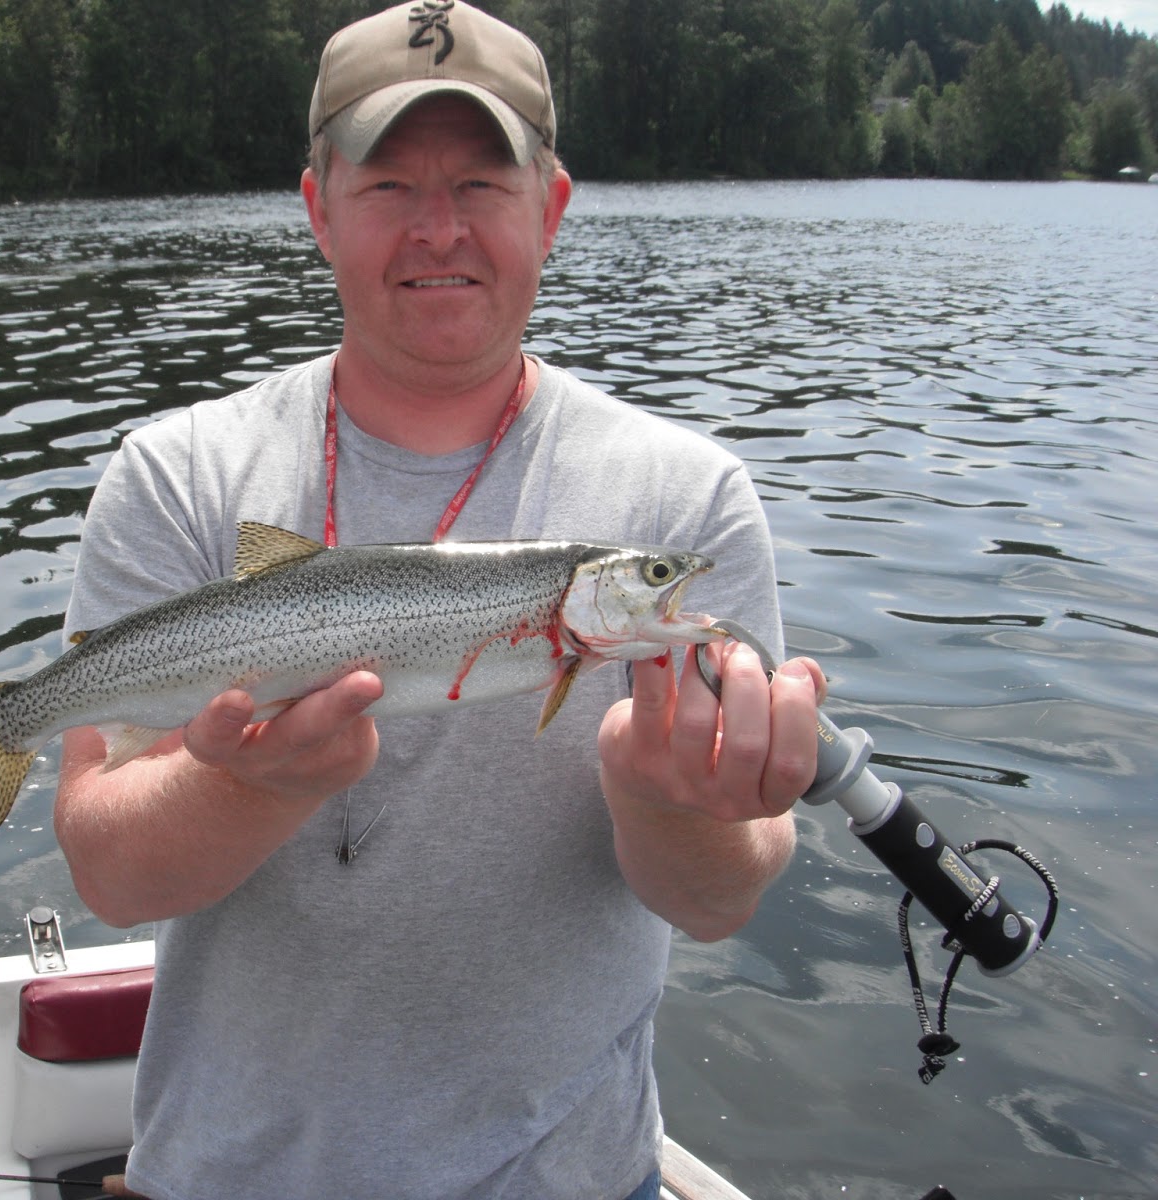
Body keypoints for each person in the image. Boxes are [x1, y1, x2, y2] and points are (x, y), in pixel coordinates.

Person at [54, 3, 822, 1197]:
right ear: (317, 209)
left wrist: (671, 804)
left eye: (480, 182)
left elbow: (716, 902)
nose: (438, 228)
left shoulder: (683, 498)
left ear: (551, 209)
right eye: (388, 186)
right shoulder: (178, 474)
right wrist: (242, 784)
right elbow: (109, 875)